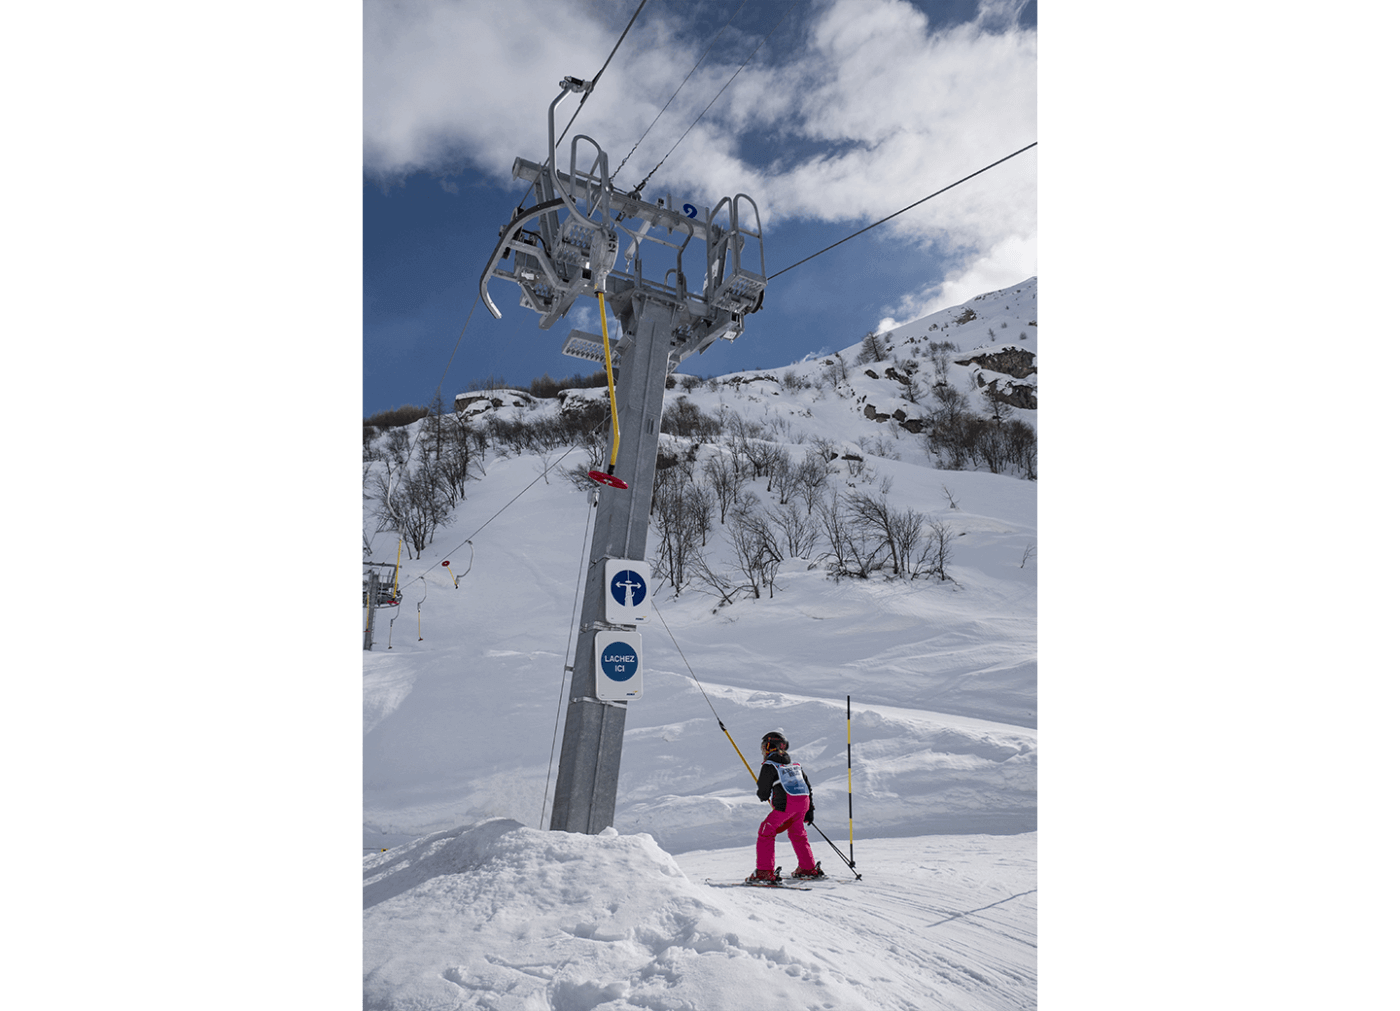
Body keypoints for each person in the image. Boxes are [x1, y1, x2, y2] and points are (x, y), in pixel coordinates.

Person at [747, 731, 826, 883]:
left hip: (787, 805)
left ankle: (764, 872)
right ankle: (807, 868)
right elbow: (807, 787)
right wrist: (809, 811)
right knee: (797, 833)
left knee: (766, 830)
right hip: (803, 804)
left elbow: (763, 792)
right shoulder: (793, 766)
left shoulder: (769, 766)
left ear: (770, 747)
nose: (763, 751)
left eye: (764, 748)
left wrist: (762, 793)